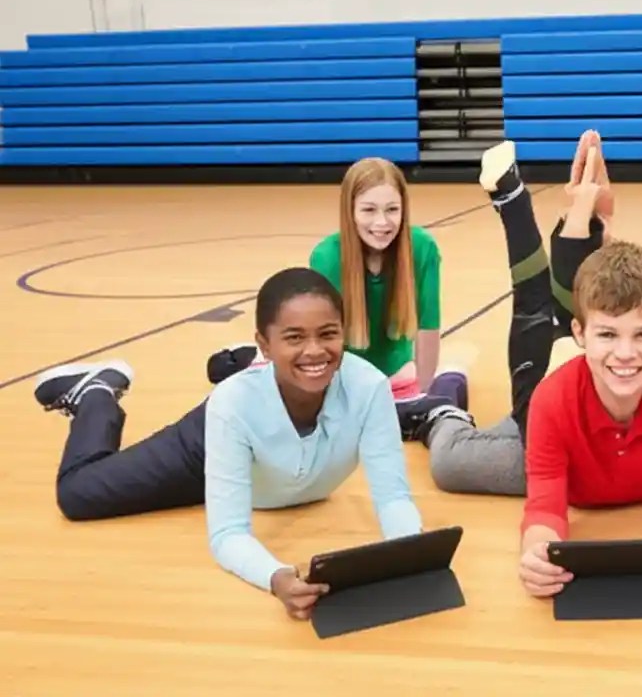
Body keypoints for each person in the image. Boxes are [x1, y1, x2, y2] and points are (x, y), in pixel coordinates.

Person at [412, 137, 642, 601]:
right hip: (542, 415)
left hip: (582, 443)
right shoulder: (552, 399)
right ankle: (441, 407)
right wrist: (537, 552)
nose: (625, 353)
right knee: (449, 464)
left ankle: (576, 213)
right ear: (581, 335)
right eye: (607, 336)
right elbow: (544, 510)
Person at [34, 266, 425, 620]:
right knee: (78, 495)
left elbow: (392, 497)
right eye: (294, 337)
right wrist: (275, 577)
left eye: (328, 334)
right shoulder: (232, 405)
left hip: (281, 482)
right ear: (264, 345)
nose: (315, 350)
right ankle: (95, 396)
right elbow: (228, 533)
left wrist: (409, 558)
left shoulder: (369, 387)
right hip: (204, 448)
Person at [205, 157, 468, 438]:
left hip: (394, 374)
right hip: (337, 363)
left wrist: (424, 398)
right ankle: (252, 357)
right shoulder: (327, 256)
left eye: (392, 210)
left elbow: (428, 326)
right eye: (369, 210)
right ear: (350, 211)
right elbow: (321, 339)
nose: (382, 222)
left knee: (434, 404)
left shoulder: (422, 248)